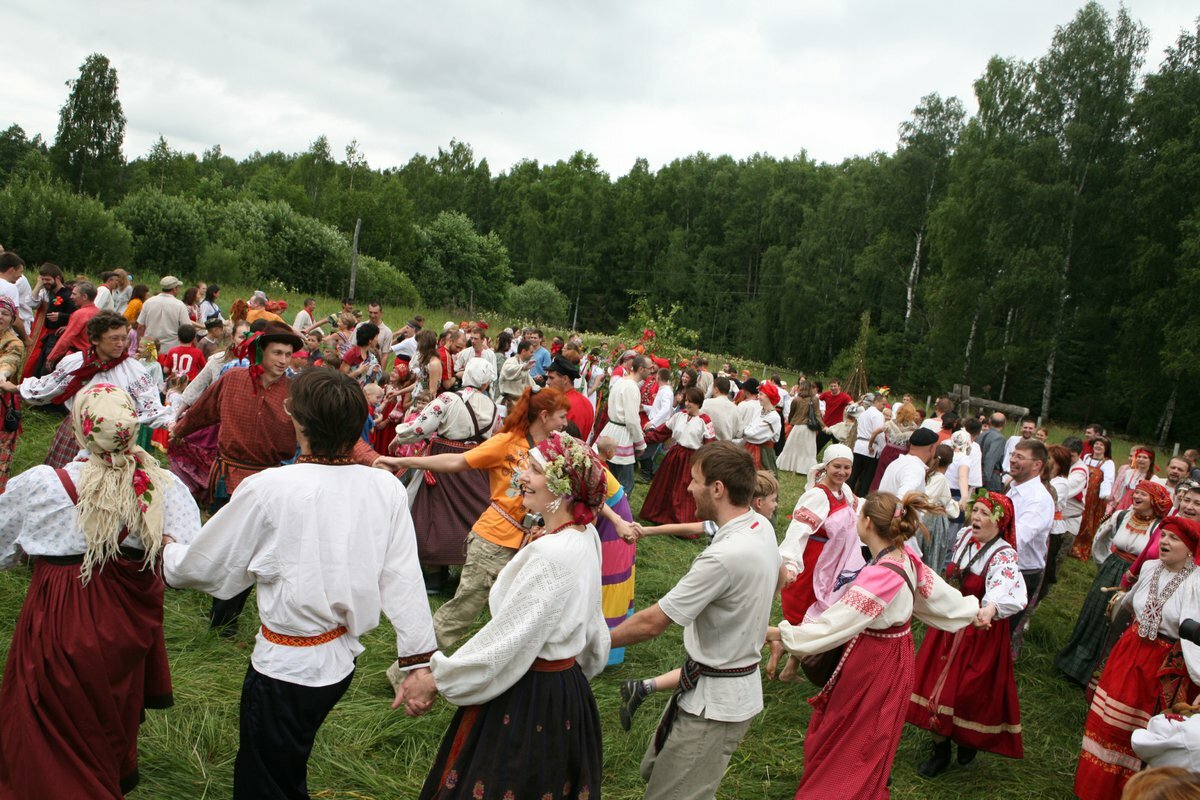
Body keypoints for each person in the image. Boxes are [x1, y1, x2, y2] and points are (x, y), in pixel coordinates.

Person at [162, 368, 437, 800]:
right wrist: (417, 664)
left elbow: (206, 567)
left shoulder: (270, 488)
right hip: (336, 666)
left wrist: (169, 550)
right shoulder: (384, 487)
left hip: (287, 669)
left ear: (297, 421)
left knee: (263, 781)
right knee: (284, 769)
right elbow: (403, 578)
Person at [0, 383, 201, 799]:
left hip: (59, 618)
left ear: (81, 427)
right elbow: (186, 558)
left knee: (47, 719)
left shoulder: (44, 485)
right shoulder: (162, 486)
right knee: (109, 715)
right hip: (127, 625)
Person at [411, 432, 609, 800]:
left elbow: (508, 639)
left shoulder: (554, 555)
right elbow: (592, 624)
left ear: (562, 488)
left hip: (529, 693)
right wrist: (584, 667)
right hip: (564, 690)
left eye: (533, 470)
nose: (522, 477)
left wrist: (437, 678)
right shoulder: (584, 536)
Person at [764, 491, 980, 799]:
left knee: (854, 735)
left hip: (875, 662)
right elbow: (939, 595)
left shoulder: (880, 576)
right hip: (891, 655)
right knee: (865, 732)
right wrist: (973, 610)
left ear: (866, 523)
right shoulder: (903, 557)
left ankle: (840, 790)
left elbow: (835, 624)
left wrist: (779, 634)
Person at [609, 442, 780, 800]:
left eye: (694, 480)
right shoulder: (758, 524)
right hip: (711, 689)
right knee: (658, 773)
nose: (687, 487)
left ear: (717, 489)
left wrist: (592, 640)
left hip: (714, 704)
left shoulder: (722, 558)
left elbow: (653, 622)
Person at [374, 388, 571, 650]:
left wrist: (615, 519)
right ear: (544, 416)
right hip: (493, 541)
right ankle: (409, 668)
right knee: (461, 613)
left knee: (518, 610)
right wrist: (404, 461)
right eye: (561, 416)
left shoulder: (553, 448)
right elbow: (456, 461)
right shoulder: (507, 443)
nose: (565, 423)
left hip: (530, 543)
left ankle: (496, 668)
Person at [1073, 516, 1200, 800]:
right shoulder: (1149, 567)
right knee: (1109, 722)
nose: (1165, 542)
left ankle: (1135, 791)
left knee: (1145, 730)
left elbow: (1195, 637)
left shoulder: (1197, 583)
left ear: (1191, 548)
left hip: (1163, 665)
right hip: (1129, 654)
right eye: (1164, 535)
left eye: (1174, 539)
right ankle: (1096, 790)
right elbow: (1129, 603)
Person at [907, 491, 1027, 777]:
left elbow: (1006, 587)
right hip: (949, 624)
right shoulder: (963, 538)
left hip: (979, 633)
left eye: (985, 514)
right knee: (935, 686)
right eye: (976, 511)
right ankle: (940, 750)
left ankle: (966, 736)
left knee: (967, 691)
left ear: (1000, 523)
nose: (976, 517)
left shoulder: (1004, 555)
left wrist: (990, 609)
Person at [390, 358, 499, 596]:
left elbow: (419, 428)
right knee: (476, 514)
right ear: (486, 381)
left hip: (443, 463)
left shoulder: (447, 399)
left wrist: (400, 437)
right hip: (475, 464)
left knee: (433, 516)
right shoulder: (492, 406)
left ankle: (434, 576)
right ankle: (469, 573)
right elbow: (495, 435)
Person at [19, 311, 173, 468]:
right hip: (77, 434)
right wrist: (16, 388)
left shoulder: (133, 370)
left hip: (115, 440)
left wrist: (173, 424)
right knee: (67, 485)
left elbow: (150, 405)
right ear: (95, 339)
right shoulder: (76, 363)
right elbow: (49, 387)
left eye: (123, 338)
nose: (121, 344)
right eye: (114, 338)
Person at [1056, 481, 1172, 687]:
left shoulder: (1159, 527)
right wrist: (1103, 563)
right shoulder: (1121, 516)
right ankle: (1074, 663)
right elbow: (1100, 538)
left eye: (1143, 495)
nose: (1136, 497)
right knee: (1094, 612)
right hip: (1111, 568)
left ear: (1154, 502)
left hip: (1134, 576)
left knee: (1116, 620)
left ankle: (1098, 672)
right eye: (1136, 493)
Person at [777, 444, 860, 634]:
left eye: (846, 467)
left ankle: (795, 655)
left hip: (833, 558)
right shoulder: (818, 495)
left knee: (821, 606)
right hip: (814, 559)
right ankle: (784, 643)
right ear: (826, 466)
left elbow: (858, 509)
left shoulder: (844, 491)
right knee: (803, 604)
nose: (842, 472)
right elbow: (797, 531)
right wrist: (790, 563)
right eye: (836, 466)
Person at [1006, 439, 1056, 659]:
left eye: (1019, 457)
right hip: (1003, 566)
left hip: (1021, 573)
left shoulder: (1039, 500)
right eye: (1013, 455)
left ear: (1037, 465)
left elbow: (1016, 538)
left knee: (1001, 635)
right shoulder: (1013, 487)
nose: (1013, 460)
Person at [640, 387, 715, 525]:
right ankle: (659, 514)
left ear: (698, 403)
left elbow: (710, 444)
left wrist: (705, 464)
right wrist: (642, 439)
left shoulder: (705, 420)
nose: (687, 404)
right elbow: (661, 432)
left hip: (692, 459)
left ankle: (681, 522)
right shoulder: (679, 415)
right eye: (686, 400)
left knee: (684, 489)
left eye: (691, 401)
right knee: (665, 485)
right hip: (675, 455)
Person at [599, 355, 651, 498]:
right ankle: (618, 514)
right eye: (649, 369)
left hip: (611, 429)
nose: (651, 372)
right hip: (622, 434)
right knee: (626, 483)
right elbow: (632, 420)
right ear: (641, 369)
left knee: (611, 478)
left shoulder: (620, 382)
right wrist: (640, 444)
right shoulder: (631, 387)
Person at [22, 262, 75, 378]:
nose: (45, 282)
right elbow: (30, 303)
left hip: (58, 333)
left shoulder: (67, 294)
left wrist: (62, 317)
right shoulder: (45, 292)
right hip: (44, 329)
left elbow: (76, 314)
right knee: (37, 359)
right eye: (43, 279)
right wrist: (38, 284)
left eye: (47, 279)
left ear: (57, 278)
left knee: (48, 363)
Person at [1074, 436, 1116, 559]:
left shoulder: (1108, 463)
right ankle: (1072, 544)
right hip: (1082, 492)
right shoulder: (1086, 458)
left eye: (1101, 445)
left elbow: (1108, 480)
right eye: (1096, 444)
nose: (1098, 446)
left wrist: (1105, 495)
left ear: (1106, 449)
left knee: (1088, 519)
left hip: (1094, 497)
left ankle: (1082, 548)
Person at [0, 297, 26, 491]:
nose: (0, 316)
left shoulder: (14, 342)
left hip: (2, 404)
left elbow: (10, 361)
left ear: (12, 318)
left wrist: (2, 375)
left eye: (5, 313)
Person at [867, 401, 919, 492]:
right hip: (902, 456)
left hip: (887, 452)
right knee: (896, 480)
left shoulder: (891, 423)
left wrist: (870, 445)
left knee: (880, 476)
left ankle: (874, 496)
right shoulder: (914, 429)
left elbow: (875, 432)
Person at [878, 426, 939, 501]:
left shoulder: (897, 462)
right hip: (890, 511)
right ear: (932, 448)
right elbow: (902, 498)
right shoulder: (915, 468)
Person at [45, 281, 98, 366]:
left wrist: (51, 358)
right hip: (92, 356)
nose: (71, 297)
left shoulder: (80, 314)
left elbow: (67, 338)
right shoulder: (98, 312)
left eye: (74, 294)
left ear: (84, 297)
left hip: (77, 357)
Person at [638, 367, 675, 480]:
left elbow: (665, 410)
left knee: (646, 451)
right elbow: (657, 409)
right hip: (655, 424)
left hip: (657, 427)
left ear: (658, 377)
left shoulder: (666, 392)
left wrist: (652, 422)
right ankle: (645, 473)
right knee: (645, 449)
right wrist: (644, 408)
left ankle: (647, 475)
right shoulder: (663, 390)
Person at [546, 355, 594, 441]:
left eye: (551, 378)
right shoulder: (584, 401)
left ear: (565, 379)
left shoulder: (566, 404)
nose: (548, 382)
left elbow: (567, 441)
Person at [137, 276, 192, 352]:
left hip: (150, 347)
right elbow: (187, 328)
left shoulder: (148, 302)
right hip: (171, 348)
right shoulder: (179, 305)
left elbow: (140, 327)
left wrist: (140, 344)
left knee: (150, 364)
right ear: (174, 288)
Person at [778, 379, 819, 475]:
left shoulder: (796, 400)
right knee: (807, 450)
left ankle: (789, 465)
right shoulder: (815, 399)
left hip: (797, 427)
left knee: (792, 447)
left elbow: (791, 413)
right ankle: (805, 469)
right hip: (809, 428)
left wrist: (791, 422)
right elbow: (817, 414)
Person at [849, 392, 885, 496]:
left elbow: (851, 410)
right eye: (883, 404)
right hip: (871, 448)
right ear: (877, 402)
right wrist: (882, 450)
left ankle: (848, 494)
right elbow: (879, 434)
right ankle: (860, 497)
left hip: (859, 446)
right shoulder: (877, 414)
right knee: (866, 477)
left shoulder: (863, 412)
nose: (884, 407)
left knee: (854, 474)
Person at [1110, 447, 1159, 516]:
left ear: (1150, 461)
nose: (1141, 460)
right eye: (1139, 457)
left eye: (1145, 458)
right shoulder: (1128, 473)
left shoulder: (1154, 479)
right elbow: (1123, 492)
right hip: (1123, 505)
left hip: (1138, 509)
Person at [816, 378, 852, 452]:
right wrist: (820, 411)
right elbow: (817, 400)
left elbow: (852, 404)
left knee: (837, 450)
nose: (833, 388)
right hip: (826, 426)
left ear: (839, 387)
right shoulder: (826, 394)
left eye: (835, 386)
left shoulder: (844, 396)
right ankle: (811, 462)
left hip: (838, 428)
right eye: (831, 386)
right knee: (816, 447)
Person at [700, 375, 739, 442]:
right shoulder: (735, 408)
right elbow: (738, 431)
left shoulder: (707, 403)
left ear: (716, 389)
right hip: (726, 446)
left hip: (709, 445)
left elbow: (699, 422)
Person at [979, 413, 1007, 492]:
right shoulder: (999, 438)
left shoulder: (981, 434)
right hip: (990, 479)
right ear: (1005, 423)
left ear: (990, 421)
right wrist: (985, 481)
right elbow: (990, 459)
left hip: (977, 475)